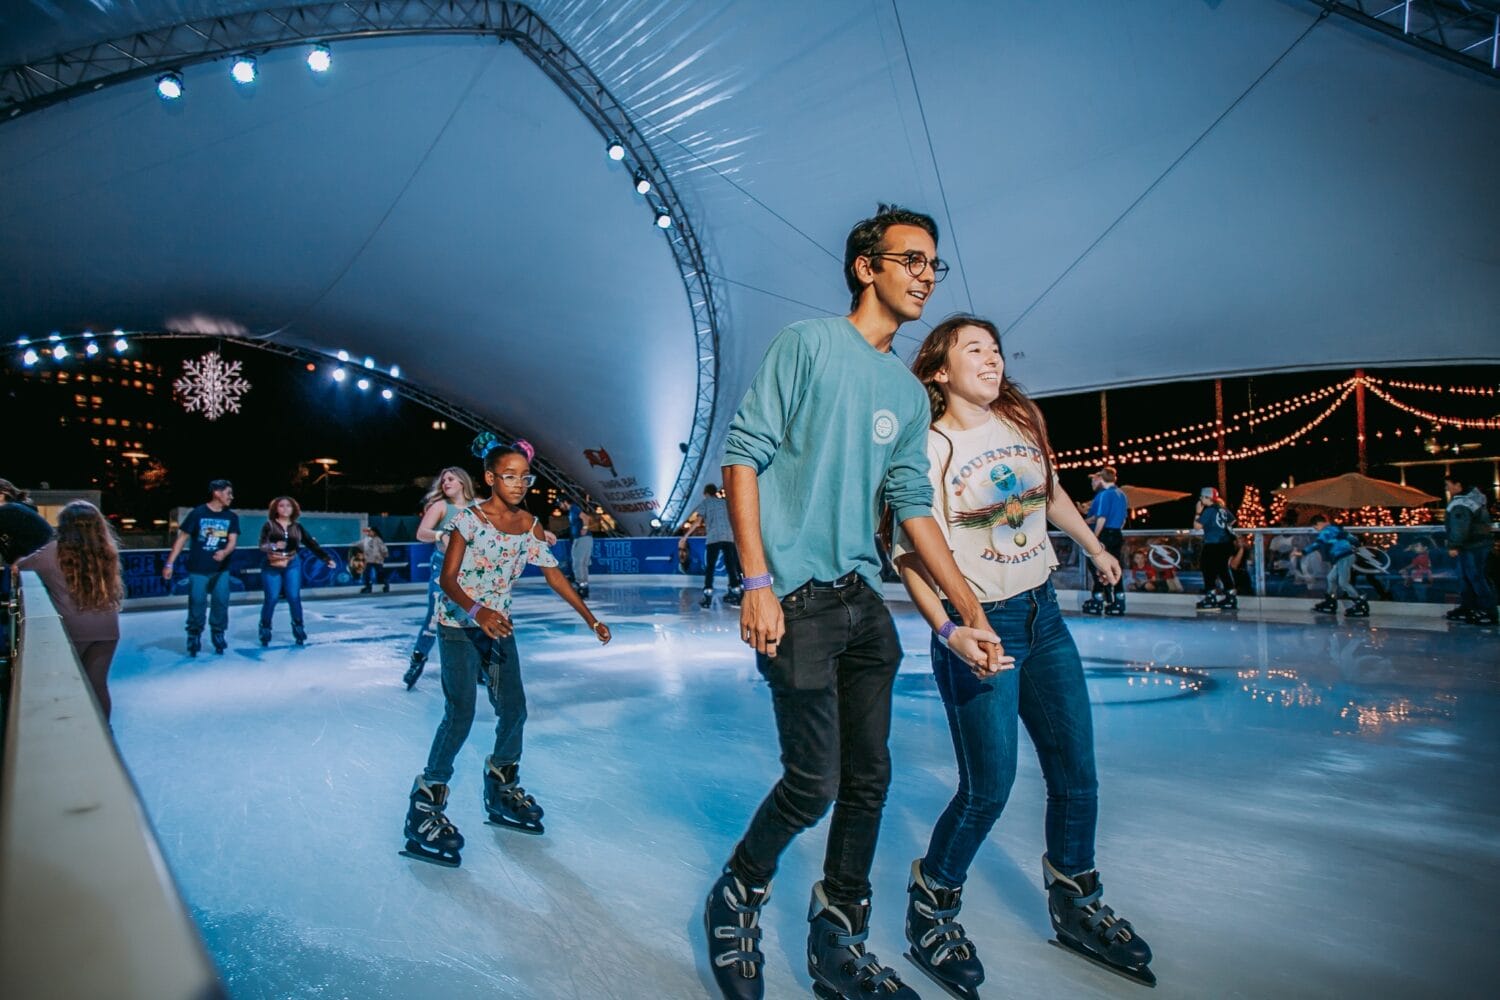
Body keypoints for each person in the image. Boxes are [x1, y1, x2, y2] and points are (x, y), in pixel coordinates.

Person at [702, 205, 1001, 1000]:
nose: (926, 275)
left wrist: (970, 613)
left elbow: (913, 508)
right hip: (794, 597)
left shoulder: (906, 397)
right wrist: (757, 580)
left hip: (863, 602)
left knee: (870, 780)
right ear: (866, 266)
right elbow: (743, 458)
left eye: (934, 263)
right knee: (815, 782)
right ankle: (738, 891)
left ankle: (839, 930)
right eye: (911, 259)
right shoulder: (807, 345)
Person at [892, 315, 1153, 994]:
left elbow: (1052, 493)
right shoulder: (928, 445)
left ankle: (1076, 898)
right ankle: (933, 901)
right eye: (973, 349)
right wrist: (952, 631)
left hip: (1044, 615)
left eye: (996, 348)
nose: (992, 358)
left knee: (1077, 774)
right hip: (982, 624)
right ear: (939, 371)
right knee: (989, 788)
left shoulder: (1019, 423)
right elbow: (909, 553)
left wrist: (1094, 549)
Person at [400, 435, 610, 867]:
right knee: (460, 713)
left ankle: (500, 785)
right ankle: (425, 806)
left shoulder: (530, 525)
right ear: (491, 478)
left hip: (498, 627)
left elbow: (554, 575)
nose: (518, 484)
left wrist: (590, 618)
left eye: (524, 477)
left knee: (514, 709)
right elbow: (447, 579)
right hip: (459, 624)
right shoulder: (469, 520)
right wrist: (477, 612)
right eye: (509, 476)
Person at [16, 501, 123, 719]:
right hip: (107, 627)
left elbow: (20, 567)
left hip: (73, 628)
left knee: (67, 683)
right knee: (98, 685)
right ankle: (104, 734)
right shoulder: (107, 550)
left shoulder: (52, 552)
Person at [405, 466, 476, 689]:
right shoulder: (440, 506)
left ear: (462, 482)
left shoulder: (479, 506)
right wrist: (440, 534)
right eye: (443, 480)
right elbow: (421, 533)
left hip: (472, 570)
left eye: (450, 479)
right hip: (443, 568)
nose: (445, 483)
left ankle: (479, 666)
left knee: (473, 616)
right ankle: (418, 659)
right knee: (435, 616)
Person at [162, 479, 239, 656]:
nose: (231, 497)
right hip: (198, 569)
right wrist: (169, 563)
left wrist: (224, 553)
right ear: (217, 493)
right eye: (228, 493)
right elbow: (182, 539)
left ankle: (218, 633)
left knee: (221, 602)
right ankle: (194, 634)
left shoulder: (231, 517)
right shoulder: (198, 513)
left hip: (221, 570)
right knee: (197, 602)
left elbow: (232, 541)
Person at [258, 496, 336, 646]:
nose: (285, 508)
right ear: (276, 509)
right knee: (272, 598)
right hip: (271, 564)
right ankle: (265, 628)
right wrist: (274, 546)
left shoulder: (298, 527)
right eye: (281, 506)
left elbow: (311, 544)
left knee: (294, 597)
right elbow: (262, 545)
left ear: (294, 509)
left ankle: (298, 628)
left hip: (292, 563)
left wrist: (326, 558)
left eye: (289, 506)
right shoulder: (269, 525)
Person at [1444, 475, 1496, 625]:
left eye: (1448, 485)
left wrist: (1454, 545)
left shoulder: (1461, 504)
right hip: (1476, 545)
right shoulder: (1475, 500)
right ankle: (1469, 607)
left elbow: (1460, 527)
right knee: (1468, 577)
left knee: (1476, 577)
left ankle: (1487, 610)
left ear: (1458, 485)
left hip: (1472, 546)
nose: (1447, 489)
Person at [1081, 466, 1128, 616]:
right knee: (1114, 566)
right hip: (1116, 533)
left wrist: (1094, 538)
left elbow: (1101, 518)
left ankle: (1098, 598)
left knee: (1097, 566)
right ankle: (1118, 600)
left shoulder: (1104, 495)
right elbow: (1123, 520)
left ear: (1101, 478)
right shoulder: (1121, 494)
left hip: (1105, 534)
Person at [1304, 514, 1366, 618]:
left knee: (1343, 583)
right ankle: (1330, 602)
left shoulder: (1328, 530)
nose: (1317, 530)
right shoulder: (1335, 529)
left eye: (1316, 527)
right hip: (1342, 558)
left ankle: (1360, 604)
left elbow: (1318, 544)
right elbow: (1352, 539)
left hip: (1344, 557)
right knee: (1331, 578)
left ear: (1320, 523)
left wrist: (1302, 552)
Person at [693, 483, 743, 608]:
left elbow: (698, 521)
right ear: (715, 492)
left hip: (713, 538)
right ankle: (736, 593)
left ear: (705, 493)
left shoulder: (705, 503)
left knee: (710, 567)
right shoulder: (724, 502)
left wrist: (685, 536)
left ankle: (708, 596)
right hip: (728, 537)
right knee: (731, 566)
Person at [1194, 487, 1238, 611]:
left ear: (1207, 498)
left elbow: (1197, 526)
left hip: (1214, 543)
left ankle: (1211, 597)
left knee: (1207, 568)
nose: (1201, 499)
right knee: (1223, 569)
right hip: (1226, 543)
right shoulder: (1222, 509)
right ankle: (1230, 597)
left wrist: (1198, 512)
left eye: (1202, 497)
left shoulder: (1209, 510)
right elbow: (1232, 520)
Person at [561, 497, 593, 599]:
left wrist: (585, 528)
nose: (560, 507)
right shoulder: (571, 512)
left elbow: (586, 518)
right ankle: (583, 586)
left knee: (579, 563)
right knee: (580, 563)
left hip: (582, 538)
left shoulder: (574, 508)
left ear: (565, 502)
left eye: (561, 504)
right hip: (579, 539)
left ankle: (582, 587)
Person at [356, 526, 389, 594]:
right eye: (367, 532)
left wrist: (385, 554)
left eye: (369, 531)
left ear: (374, 532)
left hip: (377, 560)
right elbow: (359, 544)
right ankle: (368, 587)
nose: (368, 533)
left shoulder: (378, 540)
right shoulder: (366, 539)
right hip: (369, 560)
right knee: (367, 573)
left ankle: (386, 585)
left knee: (380, 573)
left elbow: (383, 548)